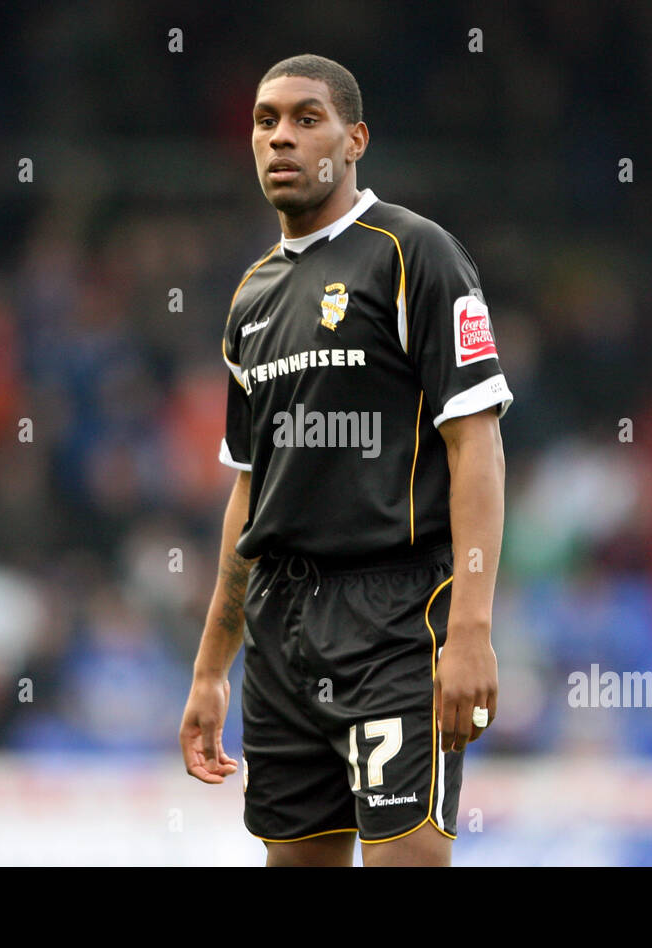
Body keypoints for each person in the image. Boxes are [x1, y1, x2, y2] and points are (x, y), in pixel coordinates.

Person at [179, 53, 512, 867]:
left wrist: (470, 627)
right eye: (265, 121)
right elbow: (249, 498)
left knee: (409, 861)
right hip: (282, 631)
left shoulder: (415, 254)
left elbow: (476, 442)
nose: (280, 138)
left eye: (305, 118)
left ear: (354, 139)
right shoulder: (251, 297)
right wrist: (210, 669)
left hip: (397, 619)